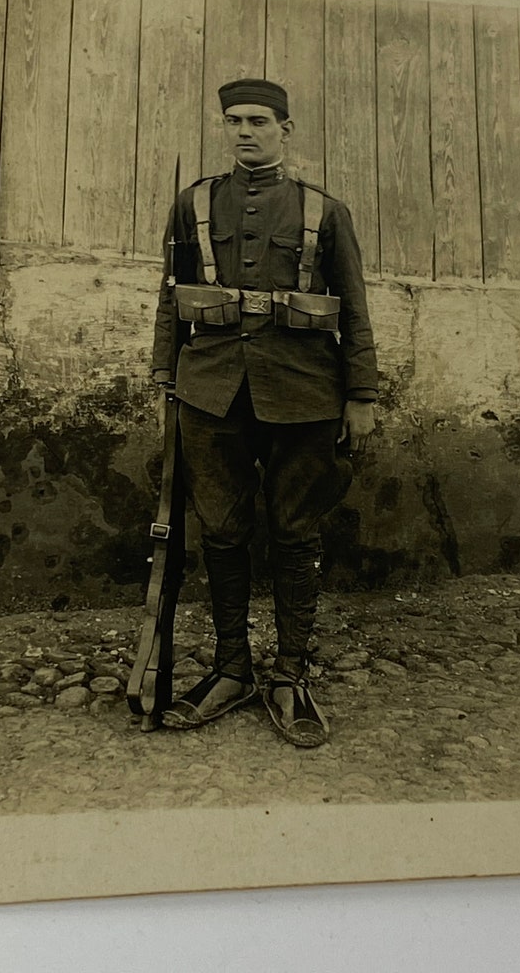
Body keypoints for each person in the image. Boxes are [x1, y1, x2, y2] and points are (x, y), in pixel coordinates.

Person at [150, 78, 378, 747]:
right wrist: (165, 376)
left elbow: (354, 306)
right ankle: (231, 670)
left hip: (304, 393)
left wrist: (361, 395)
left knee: (294, 533)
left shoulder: (324, 211)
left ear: (285, 129)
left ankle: (289, 674)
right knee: (221, 532)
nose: (245, 131)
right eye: (234, 121)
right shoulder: (193, 203)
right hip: (210, 390)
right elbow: (170, 296)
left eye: (258, 121)